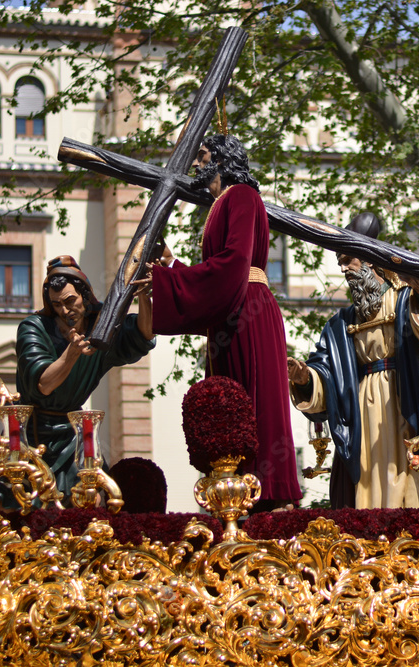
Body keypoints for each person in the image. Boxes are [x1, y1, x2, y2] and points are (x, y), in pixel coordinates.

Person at [132, 134, 302, 510]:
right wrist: (173, 267)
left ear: (222, 160)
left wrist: (170, 279)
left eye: (202, 155)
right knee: (236, 403)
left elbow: (233, 266)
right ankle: (235, 494)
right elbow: (221, 271)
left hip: (248, 312)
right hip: (235, 311)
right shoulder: (223, 203)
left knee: (252, 403)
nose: (195, 164)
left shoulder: (241, 195)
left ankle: (262, 494)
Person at [286, 212, 419, 509]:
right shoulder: (341, 324)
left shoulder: (406, 299)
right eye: (339, 261)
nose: (342, 268)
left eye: (346, 259)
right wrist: (305, 378)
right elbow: (326, 372)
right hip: (361, 411)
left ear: (368, 259)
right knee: (367, 477)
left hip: (406, 399)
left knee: (412, 471)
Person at [0, 256, 156, 506]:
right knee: (0, 501)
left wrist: (144, 296)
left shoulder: (102, 324)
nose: (64, 310)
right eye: (57, 304)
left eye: (70, 301)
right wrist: (71, 354)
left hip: (73, 436)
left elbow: (142, 335)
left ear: (84, 294)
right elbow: (45, 384)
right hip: (31, 435)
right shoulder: (33, 327)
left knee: (90, 503)